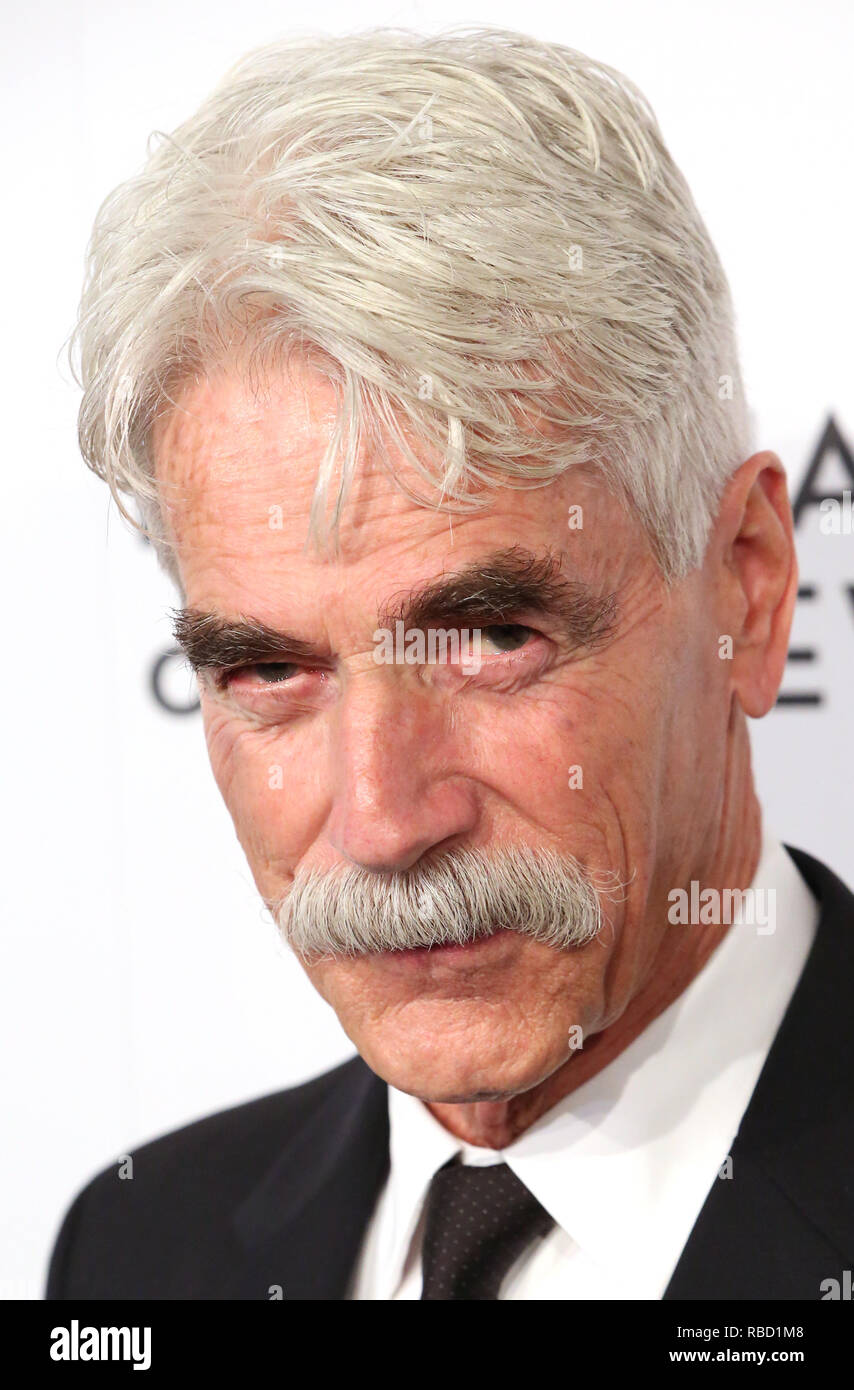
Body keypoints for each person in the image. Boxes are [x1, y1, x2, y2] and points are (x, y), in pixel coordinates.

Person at [46, 26, 854, 1300]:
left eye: (490, 640)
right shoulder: (140, 1251)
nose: (379, 820)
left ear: (745, 590)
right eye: (267, 672)